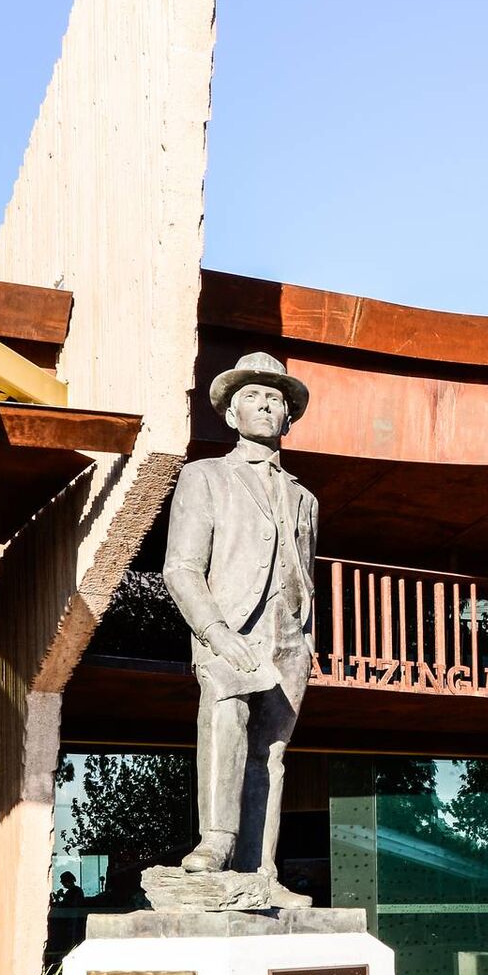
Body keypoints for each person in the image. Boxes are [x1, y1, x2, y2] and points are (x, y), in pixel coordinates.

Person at [163, 352, 319, 901]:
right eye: (252, 396)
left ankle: (260, 871)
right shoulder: (204, 477)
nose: (265, 405)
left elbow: (304, 569)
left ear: (288, 417)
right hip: (228, 630)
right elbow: (181, 567)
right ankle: (216, 841)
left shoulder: (304, 497)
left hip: (287, 640)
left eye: (275, 399)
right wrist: (214, 630)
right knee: (225, 722)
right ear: (231, 414)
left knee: (270, 753)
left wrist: (306, 638)